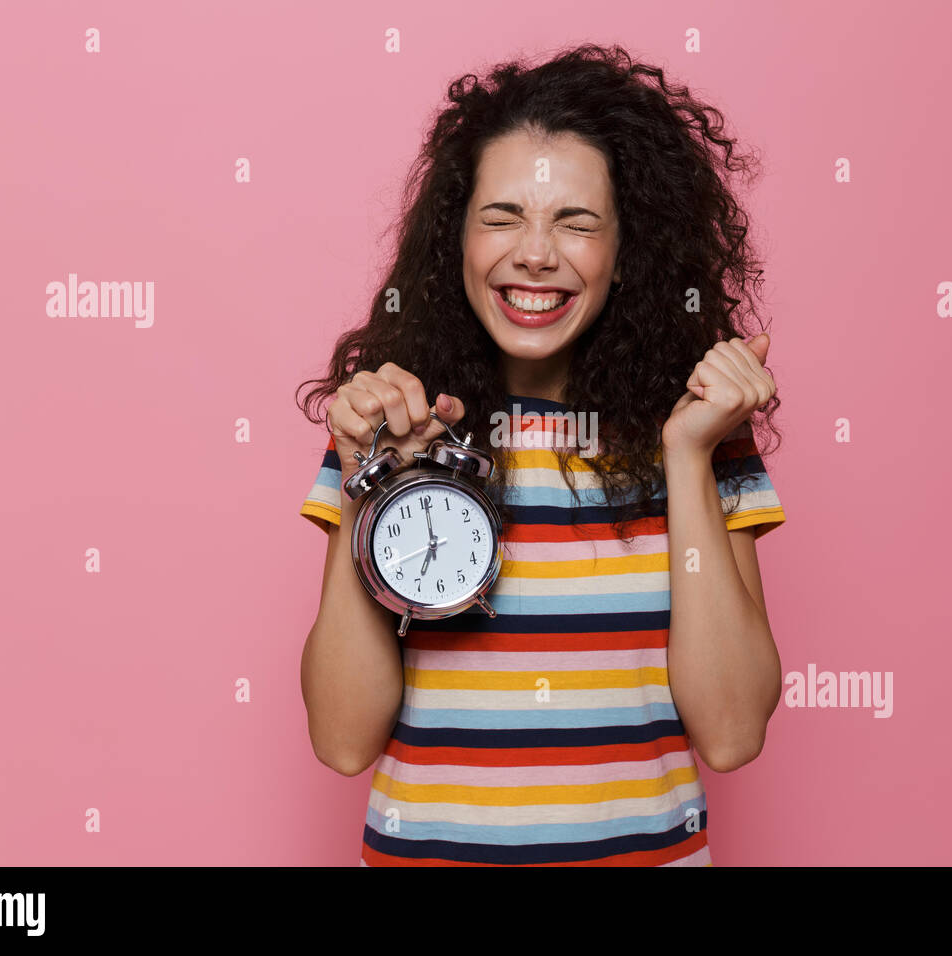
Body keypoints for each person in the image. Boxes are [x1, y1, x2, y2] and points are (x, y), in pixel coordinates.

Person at [295, 43, 786, 866]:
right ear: (456, 238)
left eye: (576, 222)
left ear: (628, 252)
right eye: (502, 216)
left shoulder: (698, 430)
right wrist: (363, 482)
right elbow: (343, 741)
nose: (534, 254)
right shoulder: (394, 424)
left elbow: (732, 732)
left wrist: (687, 454)